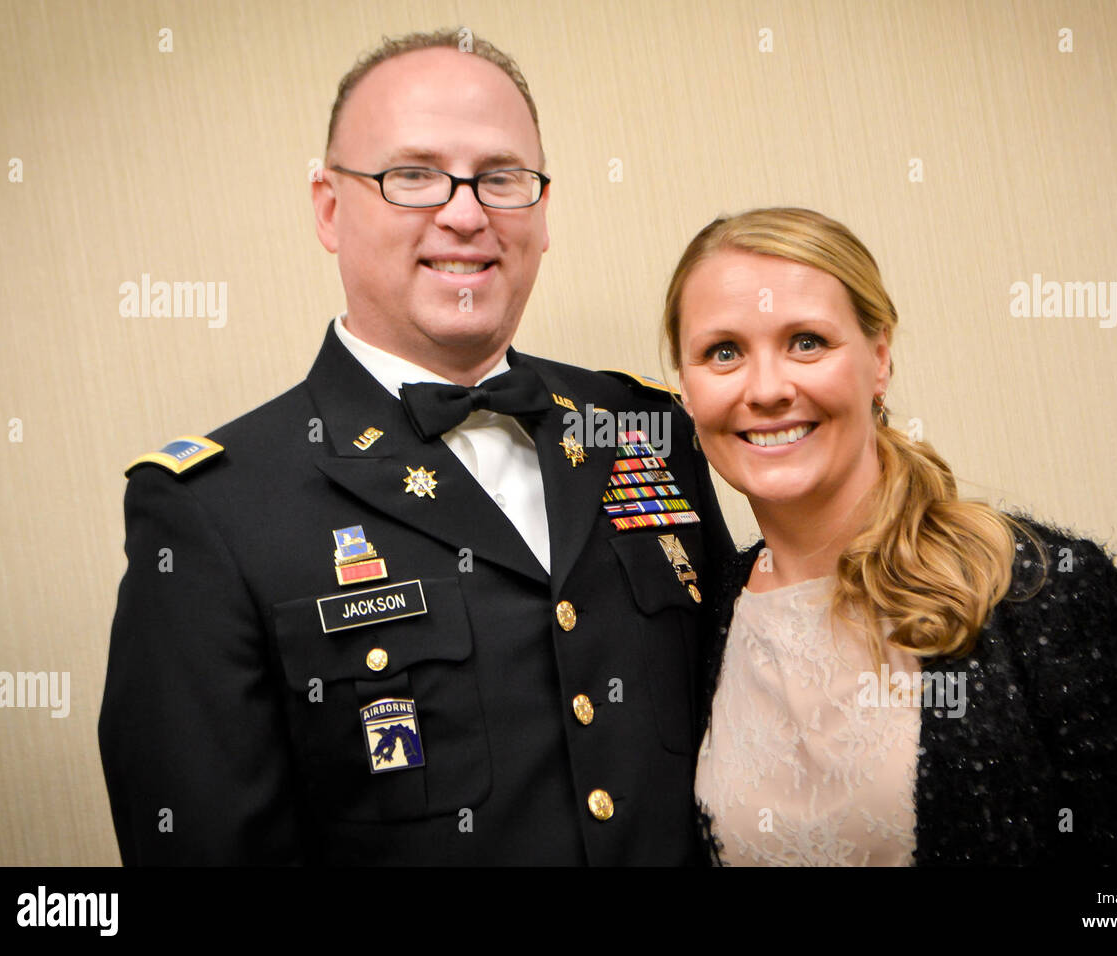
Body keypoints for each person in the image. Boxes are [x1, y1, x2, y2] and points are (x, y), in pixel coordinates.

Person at [98, 30, 732, 865]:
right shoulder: (212, 509)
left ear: (543, 213)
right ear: (329, 208)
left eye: (502, 178)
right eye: (414, 176)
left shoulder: (640, 427)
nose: (465, 214)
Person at [661, 207, 1117, 865]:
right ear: (686, 390)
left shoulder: (1037, 587)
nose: (769, 388)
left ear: (879, 359)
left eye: (807, 341)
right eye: (724, 352)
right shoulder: (697, 616)